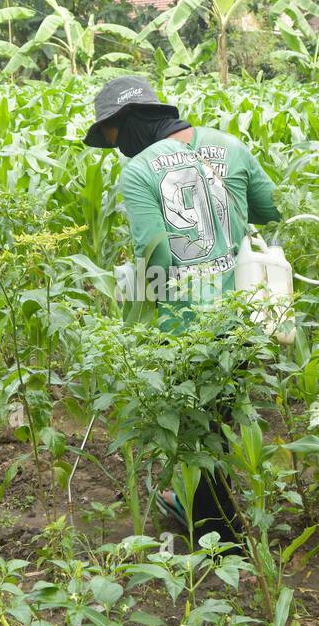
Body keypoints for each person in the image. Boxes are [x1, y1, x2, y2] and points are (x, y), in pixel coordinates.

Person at [83, 75, 282, 546]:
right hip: (243, 313)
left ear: (126, 122)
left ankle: (220, 535)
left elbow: (156, 254)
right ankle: (206, 509)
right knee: (221, 418)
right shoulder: (229, 145)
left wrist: (139, 320)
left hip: (186, 322)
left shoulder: (138, 172)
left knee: (194, 431)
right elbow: (268, 207)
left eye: (111, 136)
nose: (115, 148)